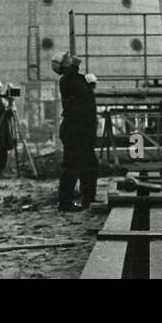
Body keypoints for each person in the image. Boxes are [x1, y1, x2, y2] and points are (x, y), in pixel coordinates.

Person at [53, 51, 98, 212]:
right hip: (75, 130)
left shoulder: (76, 79)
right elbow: (71, 76)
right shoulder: (66, 81)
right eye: (67, 60)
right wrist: (74, 65)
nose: (70, 60)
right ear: (64, 65)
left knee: (90, 166)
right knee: (72, 167)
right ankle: (64, 202)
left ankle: (89, 198)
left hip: (83, 130)